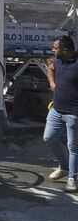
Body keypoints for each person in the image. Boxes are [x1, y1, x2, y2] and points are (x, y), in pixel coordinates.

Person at [44, 35, 78, 193]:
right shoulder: (58, 61)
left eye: (55, 48)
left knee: (73, 147)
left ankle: (72, 178)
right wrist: (52, 83)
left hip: (74, 113)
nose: (52, 50)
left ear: (65, 50)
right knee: (49, 138)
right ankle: (64, 167)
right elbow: (50, 68)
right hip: (56, 110)